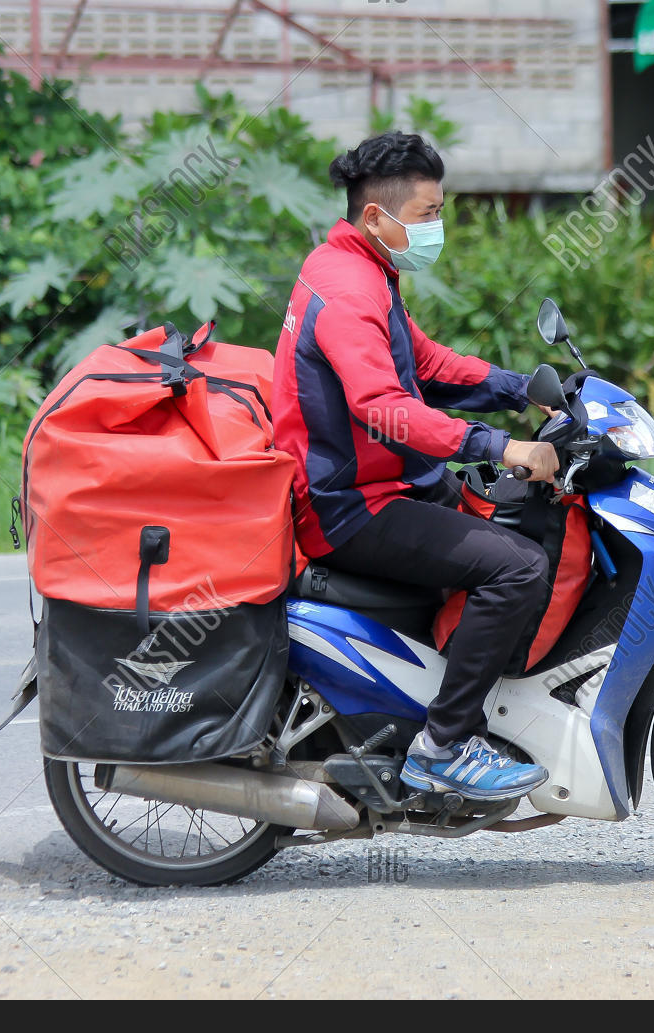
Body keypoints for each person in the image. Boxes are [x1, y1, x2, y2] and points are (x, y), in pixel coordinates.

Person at [272, 131, 558, 802]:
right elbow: (382, 407)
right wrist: (501, 446)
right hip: (349, 506)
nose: (437, 228)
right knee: (518, 565)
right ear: (377, 216)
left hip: (380, 483)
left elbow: (423, 363)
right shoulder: (348, 290)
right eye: (428, 215)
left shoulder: (358, 268)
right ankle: (444, 746)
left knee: (508, 512)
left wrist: (525, 389)